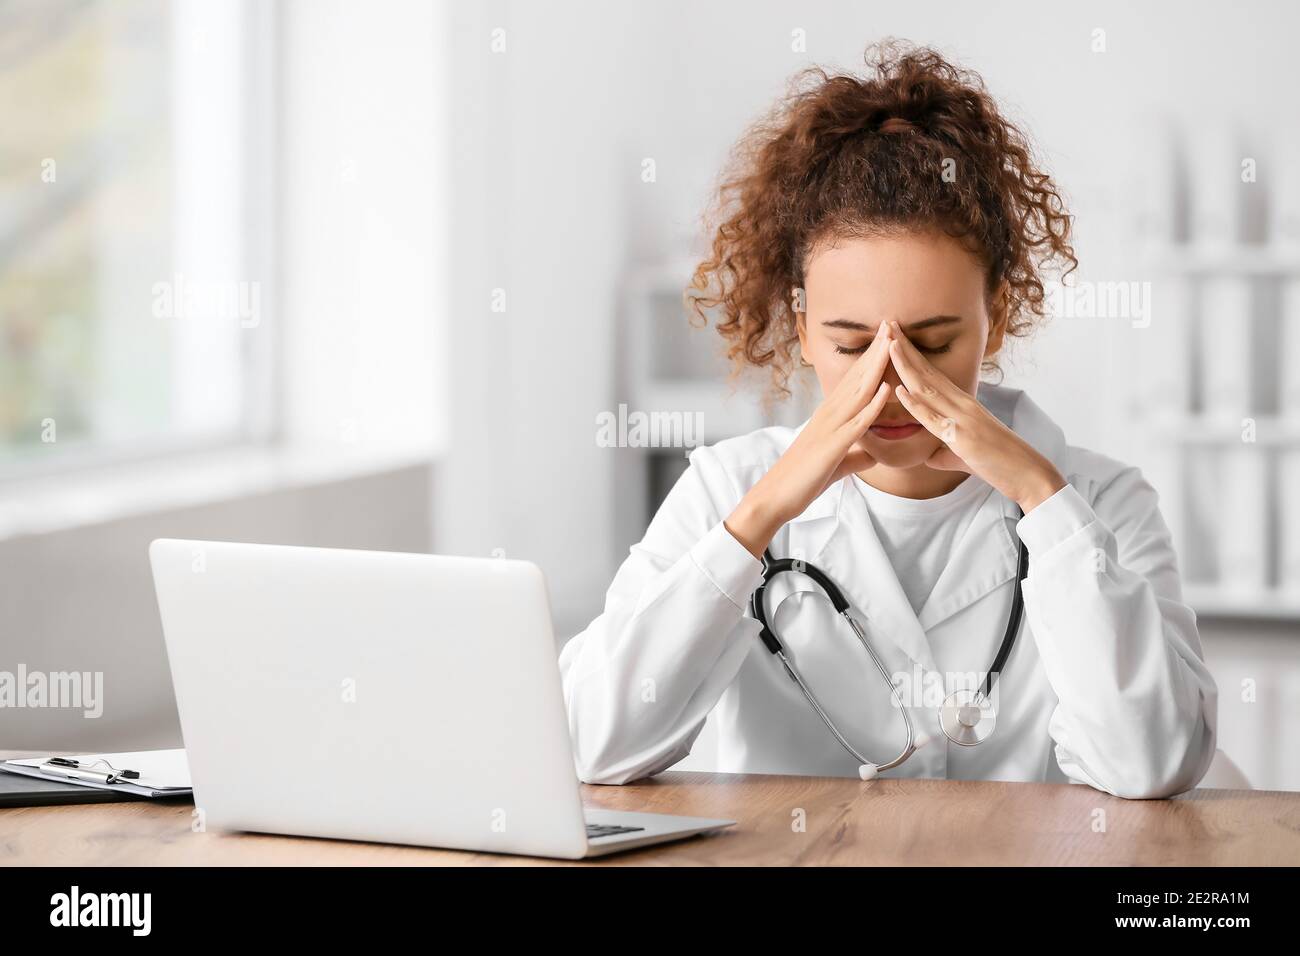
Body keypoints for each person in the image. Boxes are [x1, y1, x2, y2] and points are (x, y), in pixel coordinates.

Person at [559, 42, 1217, 798]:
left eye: (933, 342)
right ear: (802, 331)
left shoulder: (1101, 502)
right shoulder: (725, 491)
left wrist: (1041, 496)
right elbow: (590, 743)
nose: (894, 383)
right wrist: (759, 519)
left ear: (995, 320)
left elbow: (1156, 761)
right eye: (850, 344)